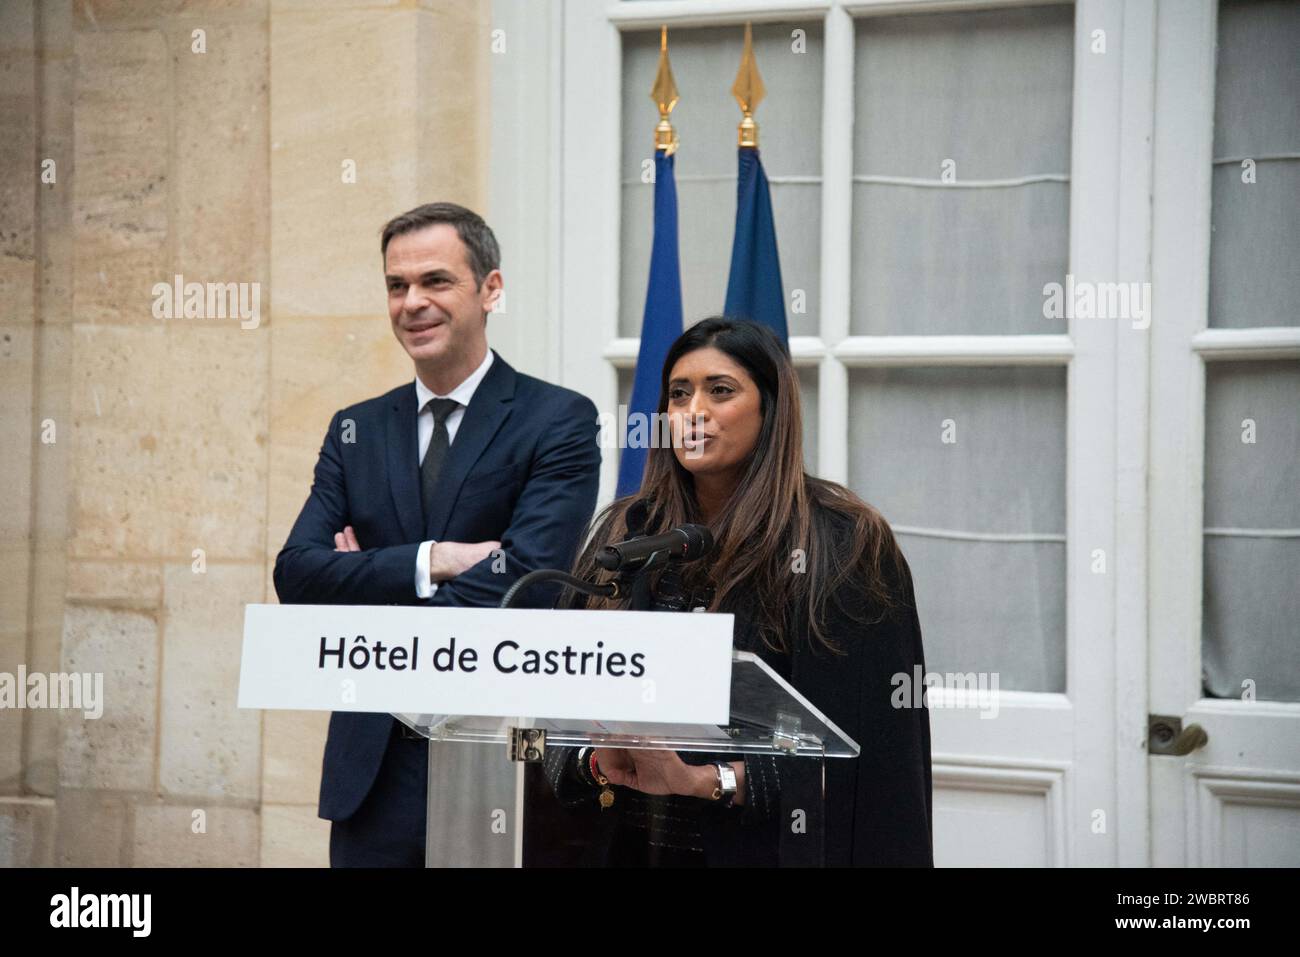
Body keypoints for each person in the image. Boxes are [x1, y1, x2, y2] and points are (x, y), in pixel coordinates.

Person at [528, 317, 933, 867]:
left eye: (721, 391)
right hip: (624, 847)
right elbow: (560, 713)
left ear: (771, 411)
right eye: (678, 393)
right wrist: (598, 761)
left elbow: (862, 751)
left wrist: (702, 779)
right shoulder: (628, 533)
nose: (694, 410)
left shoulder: (843, 542)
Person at [274, 202, 601, 867]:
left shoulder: (558, 419)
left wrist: (371, 587)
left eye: (436, 281)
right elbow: (297, 574)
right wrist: (435, 560)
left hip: (497, 759)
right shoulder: (355, 429)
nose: (412, 302)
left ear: (491, 290)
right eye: (397, 285)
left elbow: (530, 582)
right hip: (373, 770)